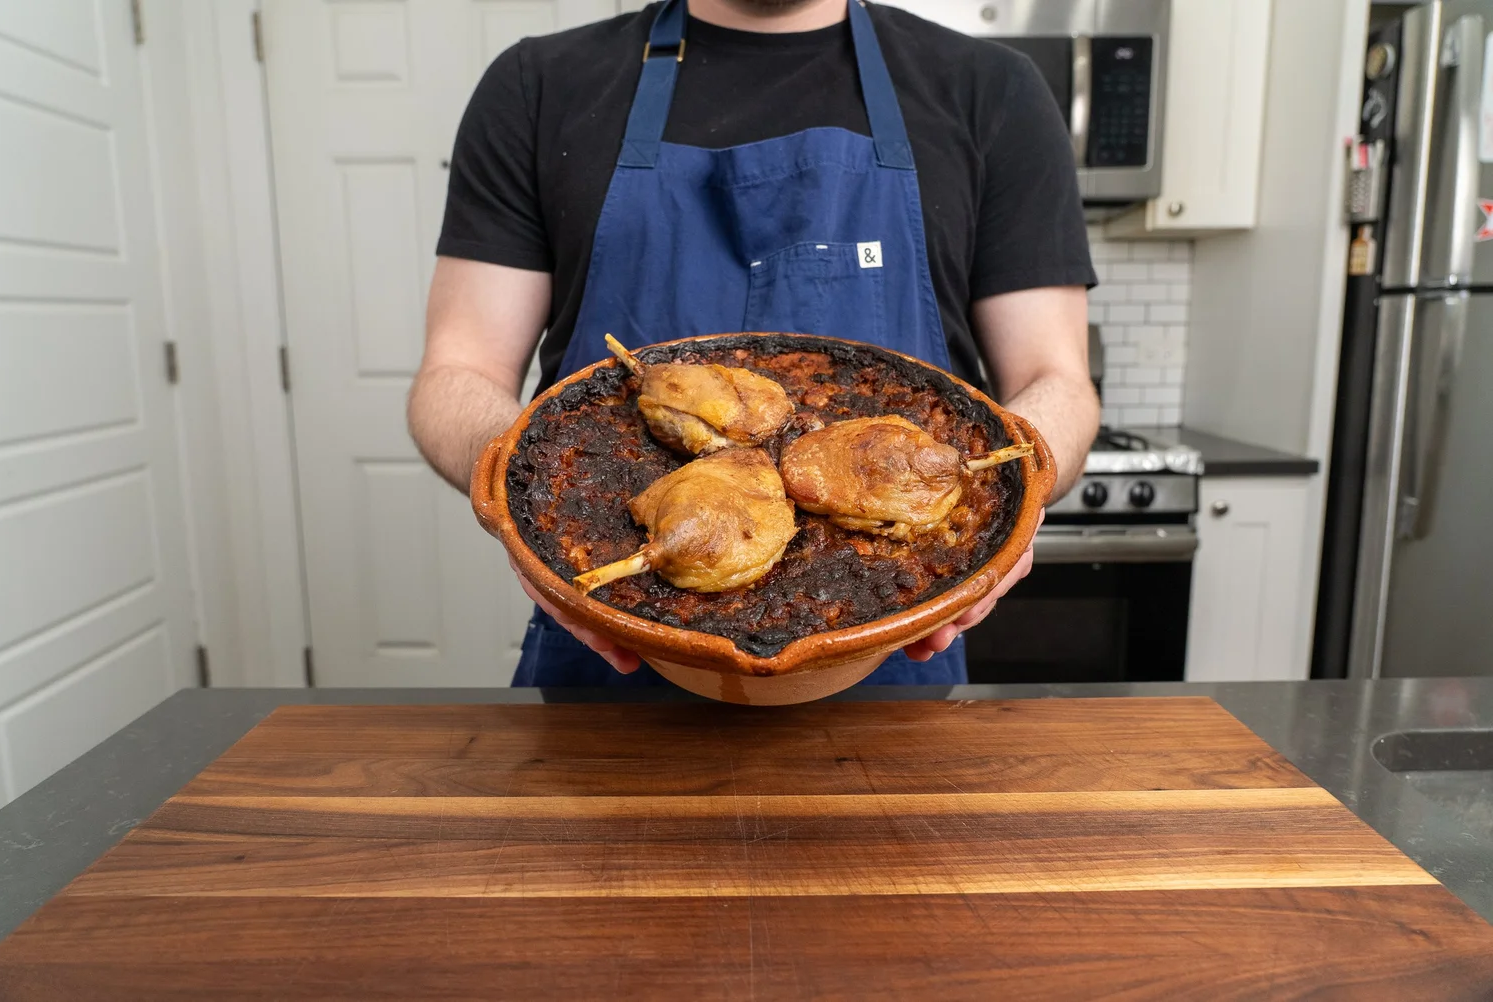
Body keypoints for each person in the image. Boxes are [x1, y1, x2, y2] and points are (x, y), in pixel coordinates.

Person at [408, 0, 1100, 687]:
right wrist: (529, 512)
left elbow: (1057, 377)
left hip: (898, 664)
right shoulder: (537, 85)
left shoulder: (989, 87)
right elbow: (455, 375)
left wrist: (1016, 492)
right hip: (601, 653)